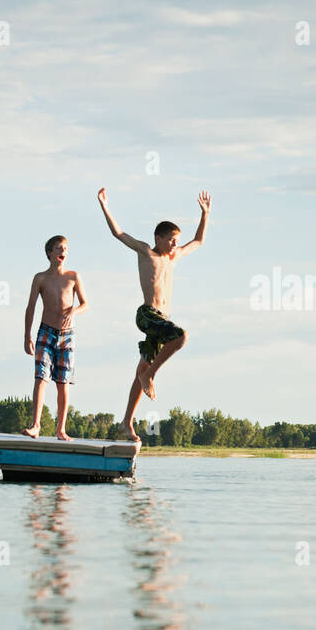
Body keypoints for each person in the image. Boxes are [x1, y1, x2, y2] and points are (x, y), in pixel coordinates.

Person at [96, 187, 210, 442]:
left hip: (161, 321)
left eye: (176, 241)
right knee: (181, 337)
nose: (174, 245)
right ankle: (150, 376)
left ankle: (126, 423)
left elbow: (199, 241)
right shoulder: (147, 252)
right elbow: (118, 233)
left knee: (142, 367)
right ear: (158, 238)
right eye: (171, 240)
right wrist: (104, 204)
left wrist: (204, 214)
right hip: (147, 314)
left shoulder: (174, 258)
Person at [23, 235, 88, 440]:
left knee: (63, 383)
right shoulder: (40, 278)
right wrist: (27, 336)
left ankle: (61, 429)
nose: (63, 251)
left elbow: (85, 304)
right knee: (41, 378)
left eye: (65, 248)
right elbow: (31, 307)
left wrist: (74, 311)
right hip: (46, 332)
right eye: (59, 248)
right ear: (50, 253)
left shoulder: (73, 276)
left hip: (67, 335)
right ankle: (36, 425)